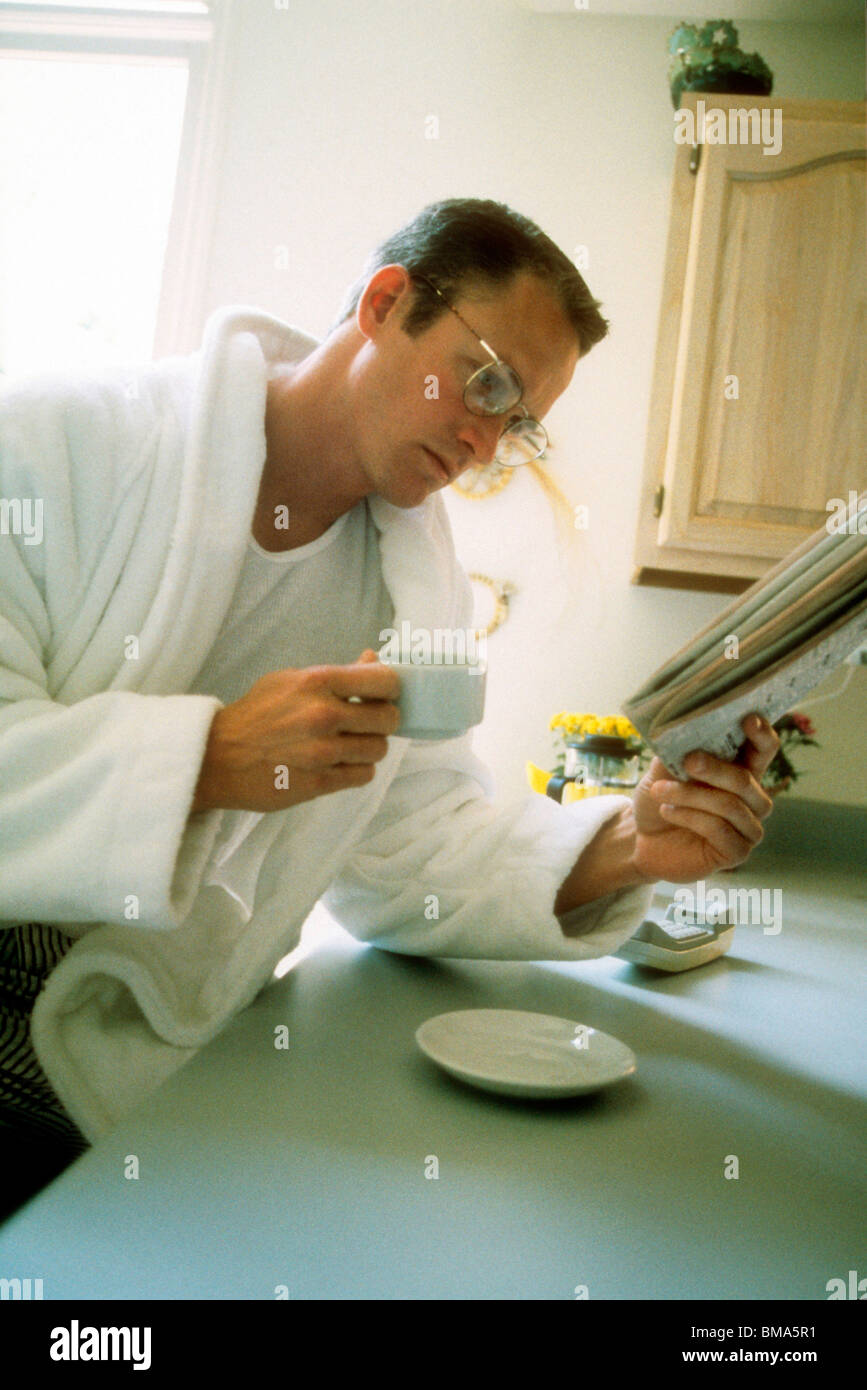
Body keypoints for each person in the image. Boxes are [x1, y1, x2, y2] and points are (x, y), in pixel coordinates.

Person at [0, 198, 779, 1217]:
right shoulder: (59, 443)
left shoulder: (417, 592)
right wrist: (211, 759)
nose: (487, 441)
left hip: (128, 1035)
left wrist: (634, 843)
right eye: (486, 380)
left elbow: (415, 846)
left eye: (518, 420)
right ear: (385, 301)